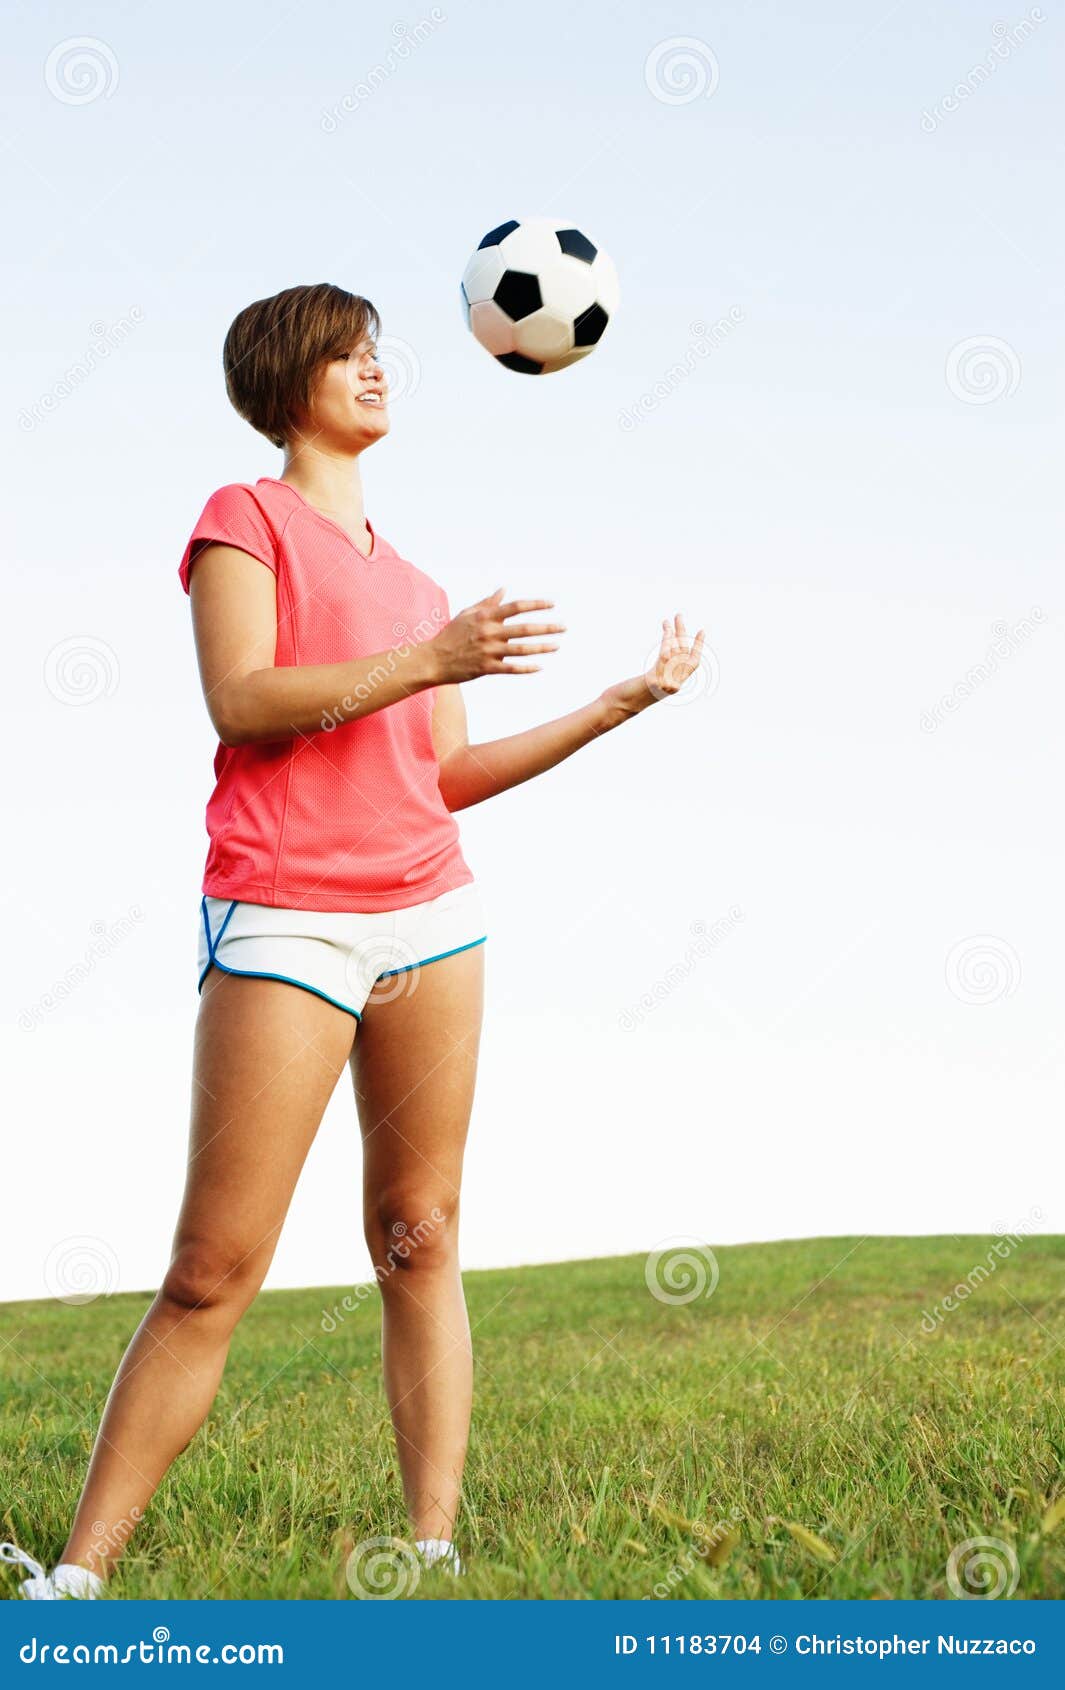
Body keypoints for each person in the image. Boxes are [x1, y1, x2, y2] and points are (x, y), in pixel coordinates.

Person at [2, 281, 704, 1599]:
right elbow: (243, 699)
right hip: (288, 917)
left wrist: (611, 706)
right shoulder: (244, 518)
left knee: (419, 1232)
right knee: (212, 1269)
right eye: (348, 353)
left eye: (380, 351)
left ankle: (432, 1553)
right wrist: (430, 660)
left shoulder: (419, 584)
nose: (377, 369)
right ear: (289, 380)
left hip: (432, 915)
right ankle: (76, 1577)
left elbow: (441, 779)